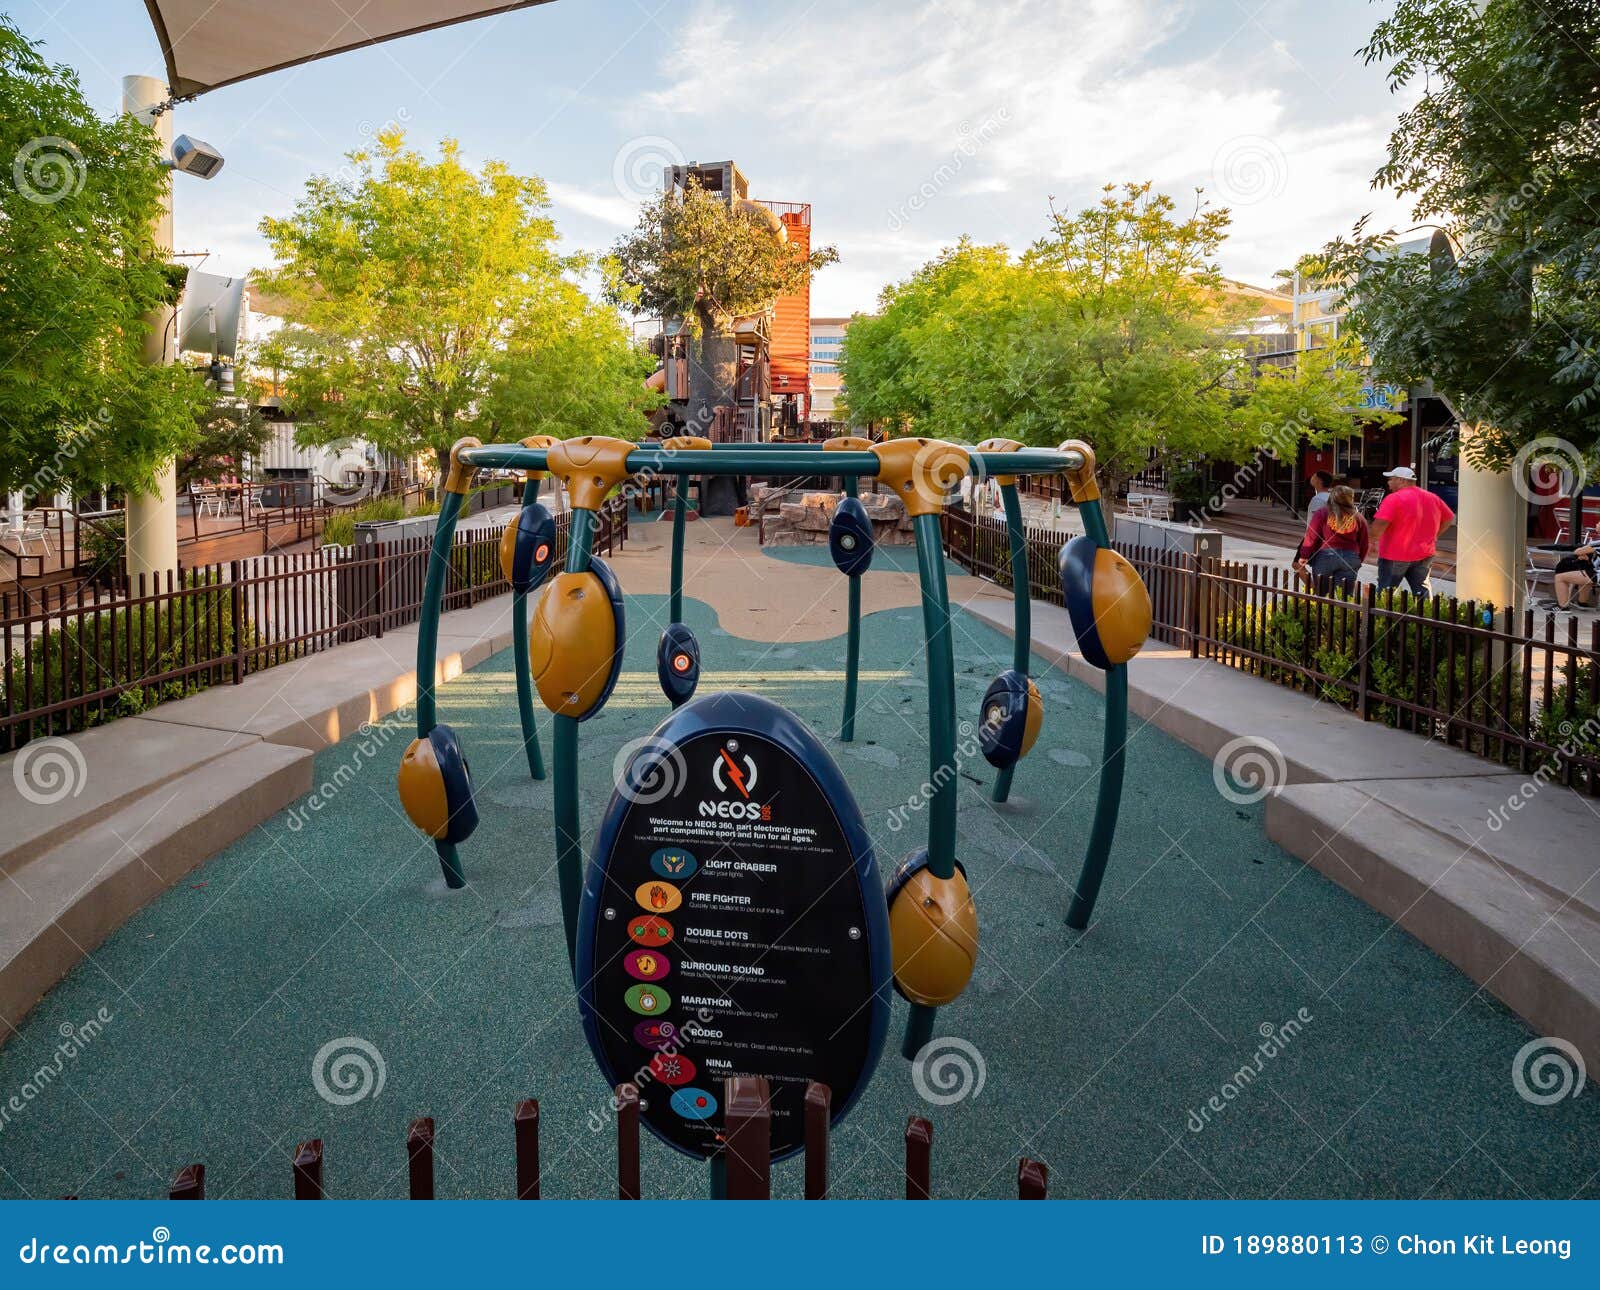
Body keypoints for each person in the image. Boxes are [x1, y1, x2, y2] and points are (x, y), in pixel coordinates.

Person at [1369, 466, 1454, 594]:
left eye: (1391, 479)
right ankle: (1424, 613)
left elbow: (1379, 524)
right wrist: (1435, 535)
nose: (1388, 482)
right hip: (1424, 553)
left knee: (1387, 591)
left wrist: (1372, 541)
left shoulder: (1393, 498)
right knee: (1422, 590)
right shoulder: (1432, 497)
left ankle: (1383, 614)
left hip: (1395, 554)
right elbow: (1449, 518)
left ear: (1401, 480)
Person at [1294, 484, 1368, 595]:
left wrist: (1304, 555)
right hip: (1350, 557)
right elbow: (1364, 542)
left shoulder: (1322, 513)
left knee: (1322, 594)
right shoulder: (1358, 517)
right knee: (1344, 596)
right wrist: (1358, 559)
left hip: (1325, 556)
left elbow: (1311, 537)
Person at [1551, 543, 1597, 611]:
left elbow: (1577, 551)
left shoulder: (1597, 543)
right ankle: (1582, 603)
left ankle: (1562, 606)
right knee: (1585, 575)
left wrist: (1583, 552)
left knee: (1559, 577)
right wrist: (1587, 558)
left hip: (1597, 574)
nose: (1597, 531)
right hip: (1595, 573)